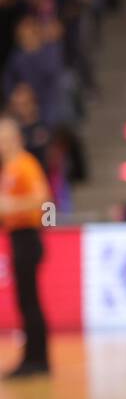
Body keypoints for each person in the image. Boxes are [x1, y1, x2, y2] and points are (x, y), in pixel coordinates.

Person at [0, 116, 51, 377]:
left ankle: (39, 360)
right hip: (17, 237)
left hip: (28, 236)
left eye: (6, 137)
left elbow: (42, 198)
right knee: (24, 300)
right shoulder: (8, 169)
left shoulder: (24, 164)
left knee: (30, 301)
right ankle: (31, 357)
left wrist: (12, 207)